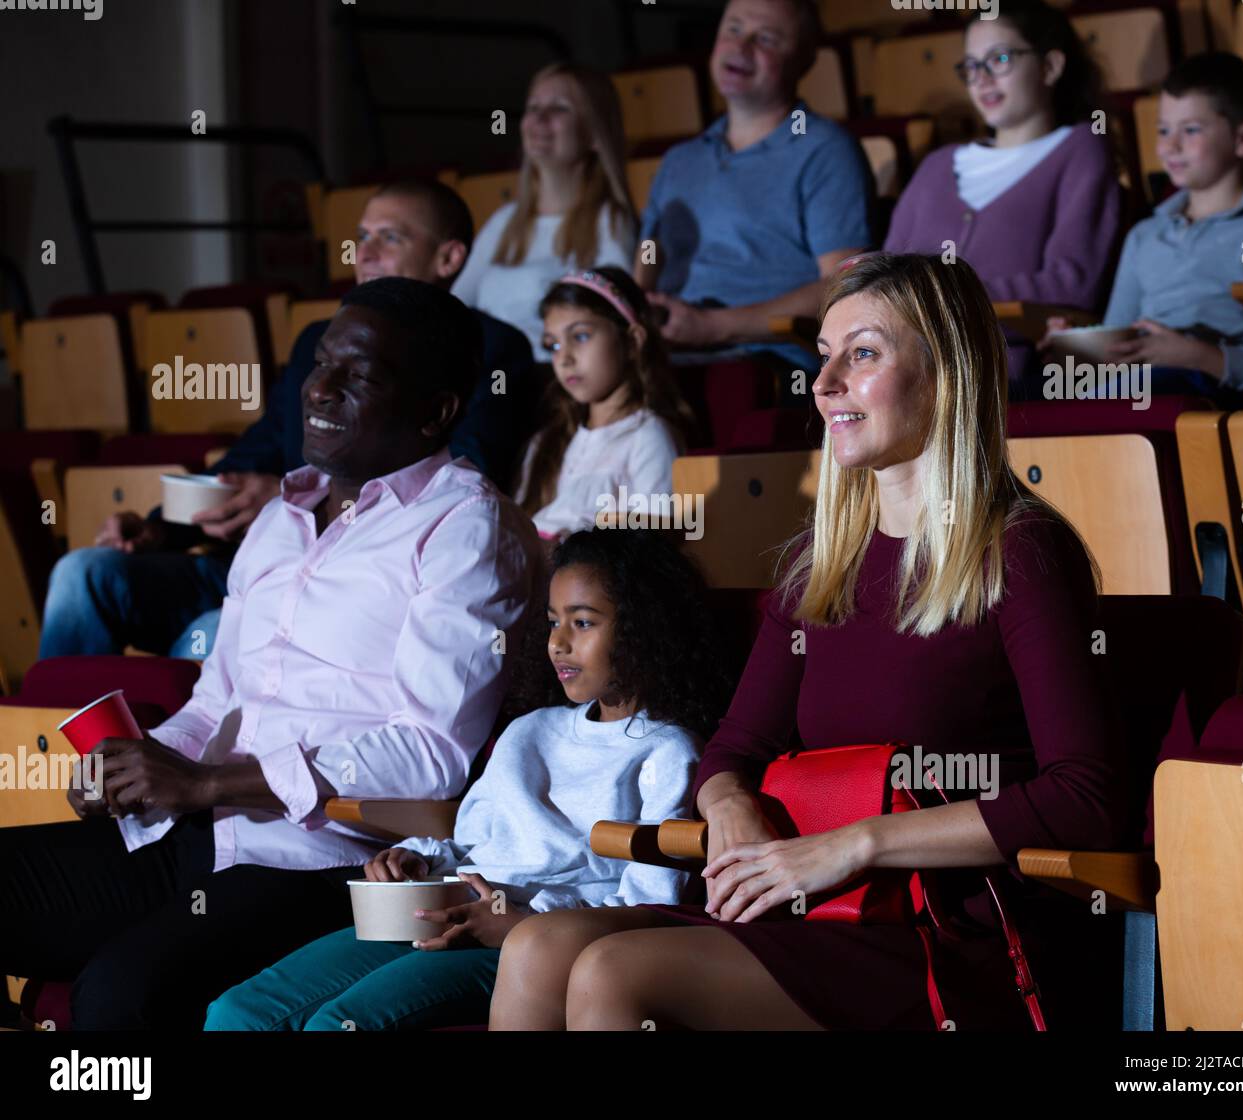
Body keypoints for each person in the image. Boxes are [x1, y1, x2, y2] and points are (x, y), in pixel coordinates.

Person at [488, 253, 1130, 1031]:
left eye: (861, 355)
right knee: (538, 946)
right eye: (824, 357)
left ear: (945, 372)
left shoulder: (1020, 552)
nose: (823, 384)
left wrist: (855, 845)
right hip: (825, 908)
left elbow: (1086, 798)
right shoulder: (817, 566)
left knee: (613, 973)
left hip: (952, 935)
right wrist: (729, 812)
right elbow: (732, 752)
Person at [0, 279, 541, 1030]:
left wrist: (209, 779)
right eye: (323, 363)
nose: (322, 386)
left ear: (435, 412)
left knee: (120, 993)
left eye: (362, 375)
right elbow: (217, 699)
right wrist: (143, 763)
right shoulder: (281, 516)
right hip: (190, 828)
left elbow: (429, 755)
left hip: (323, 860)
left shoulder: (465, 529)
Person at [205, 529, 730, 1030]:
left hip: (525, 946)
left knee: (339, 1024)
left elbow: (649, 908)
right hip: (440, 910)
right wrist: (417, 859)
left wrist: (521, 920)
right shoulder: (529, 732)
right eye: (552, 622)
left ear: (643, 629)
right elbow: (471, 842)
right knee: (237, 1013)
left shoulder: (667, 751)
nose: (558, 644)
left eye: (584, 623)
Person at [39, 181, 536, 660]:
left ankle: (177, 742)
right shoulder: (319, 338)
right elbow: (259, 449)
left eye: (391, 236)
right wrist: (160, 529)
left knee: (211, 635)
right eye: (361, 236)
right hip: (251, 561)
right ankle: (57, 741)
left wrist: (290, 494)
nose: (364, 252)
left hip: (356, 581)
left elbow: (467, 469)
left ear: (448, 258)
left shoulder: (490, 348)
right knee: (84, 572)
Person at [883, 0, 1122, 392]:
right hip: (910, 373)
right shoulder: (938, 165)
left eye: (1000, 59)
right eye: (971, 67)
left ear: (1050, 67)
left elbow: (1071, 285)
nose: (981, 79)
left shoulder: (1082, 149)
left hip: (1002, 375)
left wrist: (941, 296)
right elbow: (889, 273)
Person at [636, 0, 876, 379]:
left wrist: (710, 326)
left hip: (764, 361)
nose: (741, 47)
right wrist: (637, 303)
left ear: (803, 61)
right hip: (666, 356)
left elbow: (844, 282)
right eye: (733, 29)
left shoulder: (824, 149)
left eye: (765, 39)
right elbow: (650, 252)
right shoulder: (679, 160)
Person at [1087, 52, 1243, 401]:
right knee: (1018, 392)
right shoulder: (1144, 235)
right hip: (1130, 384)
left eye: (1191, 130)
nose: (1170, 146)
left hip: (1203, 387)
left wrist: (1192, 355)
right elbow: (1114, 342)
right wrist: (1076, 344)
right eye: (1164, 130)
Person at [452, 63, 638, 362]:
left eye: (559, 108)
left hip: (551, 378)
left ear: (593, 133)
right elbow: (455, 306)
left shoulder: (609, 221)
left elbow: (612, 320)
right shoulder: (505, 221)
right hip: (486, 372)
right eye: (533, 106)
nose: (539, 118)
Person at [515, 268, 691, 540]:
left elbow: (656, 543)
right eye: (553, 345)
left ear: (632, 341)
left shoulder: (646, 437)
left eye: (581, 336)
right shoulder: (547, 443)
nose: (564, 359)